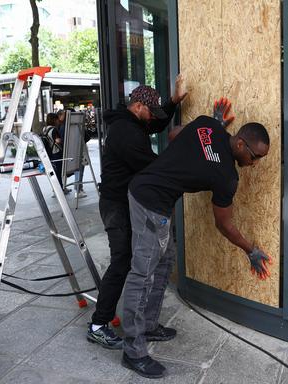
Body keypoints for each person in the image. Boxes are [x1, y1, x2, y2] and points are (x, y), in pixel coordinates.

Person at [120, 98, 271, 378]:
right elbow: (223, 225)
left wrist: (211, 129)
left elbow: (175, 134)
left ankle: (149, 325)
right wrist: (250, 249)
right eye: (256, 157)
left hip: (152, 196)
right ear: (240, 144)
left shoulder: (208, 125)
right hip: (149, 203)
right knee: (142, 276)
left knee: (164, 263)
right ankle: (133, 351)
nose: (256, 164)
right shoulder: (227, 176)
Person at [86, 75, 187, 350]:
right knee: (122, 261)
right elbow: (151, 164)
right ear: (139, 106)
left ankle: (136, 320)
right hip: (116, 206)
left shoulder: (132, 121)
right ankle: (98, 324)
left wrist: (174, 101)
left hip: (124, 203)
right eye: (149, 111)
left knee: (130, 261)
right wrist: (183, 167)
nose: (152, 118)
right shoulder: (126, 133)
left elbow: (158, 121)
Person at [42, 112, 65, 188]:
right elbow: (58, 141)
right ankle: (60, 189)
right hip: (56, 152)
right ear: (54, 120)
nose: (58, 121)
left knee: (53, 172)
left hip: (48, 153)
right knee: (58, 172)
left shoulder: (44, 129)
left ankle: (55, 189)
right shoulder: (54, 129)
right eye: (57, 119)